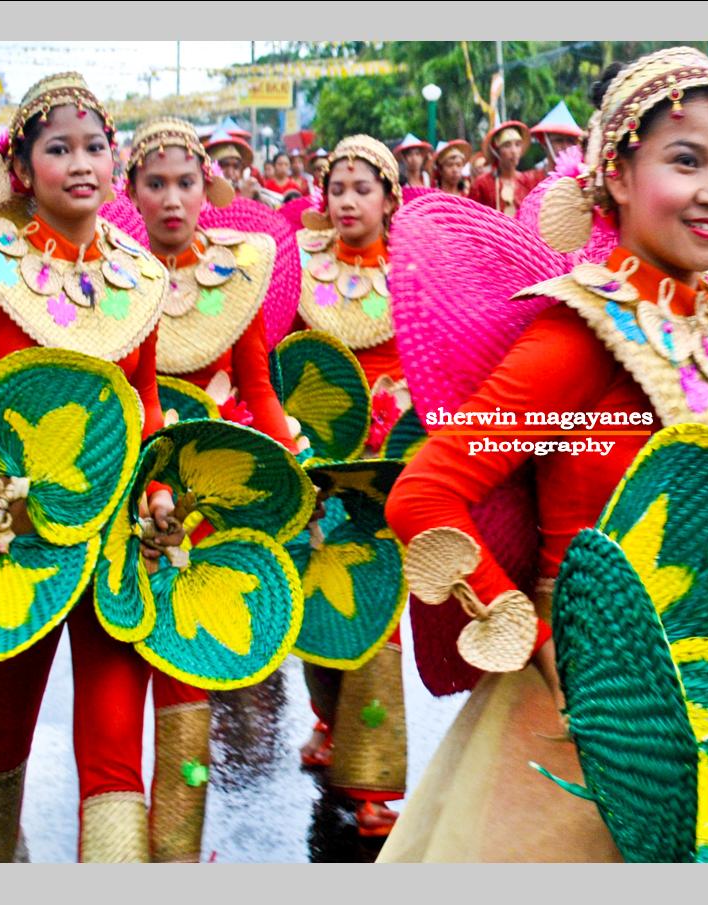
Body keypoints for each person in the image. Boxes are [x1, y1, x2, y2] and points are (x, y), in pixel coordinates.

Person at [378, 47, 708, 862]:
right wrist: (546, 645)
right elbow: (422, 498)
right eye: (686, 163)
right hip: (585, 732)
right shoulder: (580, 331)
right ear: (615, 172)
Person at [0, 72, 182, 862]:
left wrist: (158, 488)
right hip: (8, 530)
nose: (81, 163)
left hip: (115, 531)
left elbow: (146, 404)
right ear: (22, 170)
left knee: (116, 752)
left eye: (95, 146)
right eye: (59, 148)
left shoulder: (144, 280)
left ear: (113, 161)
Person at [116, 116, 299, 860]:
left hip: (216, 495)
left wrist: (293, 471)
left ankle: (178, 851)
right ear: (131, 191)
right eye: (155, 183)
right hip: (132, 495)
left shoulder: (237, 277)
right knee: (135, 661)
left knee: (190, 666)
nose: (171, 198)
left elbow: (259, 387)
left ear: (207, 190)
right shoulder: (114, 277)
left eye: (185, 182)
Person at [291, 135, 412, 838]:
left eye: (362, 188)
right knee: (317, 590)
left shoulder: (413, 274)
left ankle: (371, 778)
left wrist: (400, 407)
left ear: (390, 199)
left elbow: (430, 361)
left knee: (378, 606)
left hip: (385, 466)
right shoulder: (302, 270)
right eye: (336, 186)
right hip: (318, 461)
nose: (345, 200)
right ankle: (330, 723)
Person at [468, 119, 541, 216]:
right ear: (496, 151)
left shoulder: (529, 181)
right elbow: (472, 217)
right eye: (507, 145)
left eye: (518, 144)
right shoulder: (482, 184)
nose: (514, 151)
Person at [529, 100, 584, 170]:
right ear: (544, 144)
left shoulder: (585, 177)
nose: (565, 146)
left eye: (570, 141)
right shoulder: (527, 179)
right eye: (559, 140)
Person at [203, 128, 253, 194]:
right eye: (223, 165)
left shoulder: (248, 195)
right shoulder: (198, 198)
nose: (230, 173)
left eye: (236, 167)